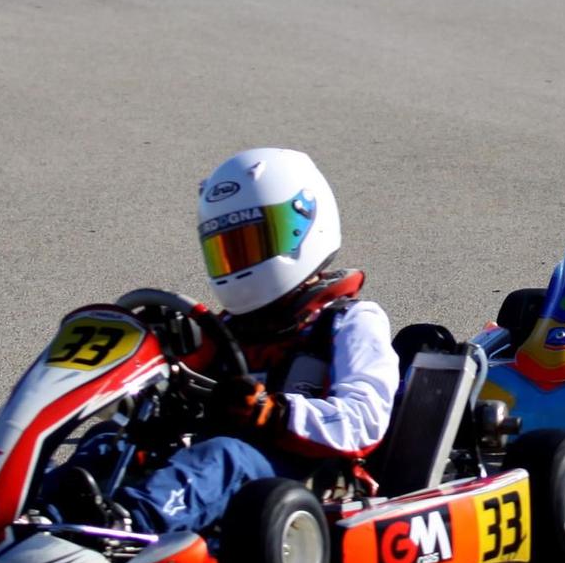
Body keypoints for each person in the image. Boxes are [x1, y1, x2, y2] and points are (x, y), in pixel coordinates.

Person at [47, 147, 398, 535]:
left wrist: (276, 412)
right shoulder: (224, 329)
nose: (240, 264)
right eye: (229, 251)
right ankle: (39, 516)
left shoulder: (349, 320)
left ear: (303, 226)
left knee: (223, 458)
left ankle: (129, 526)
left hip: (309, 476)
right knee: (107, 442)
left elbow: (364, 420)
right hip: (214, 462)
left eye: (251, 245)